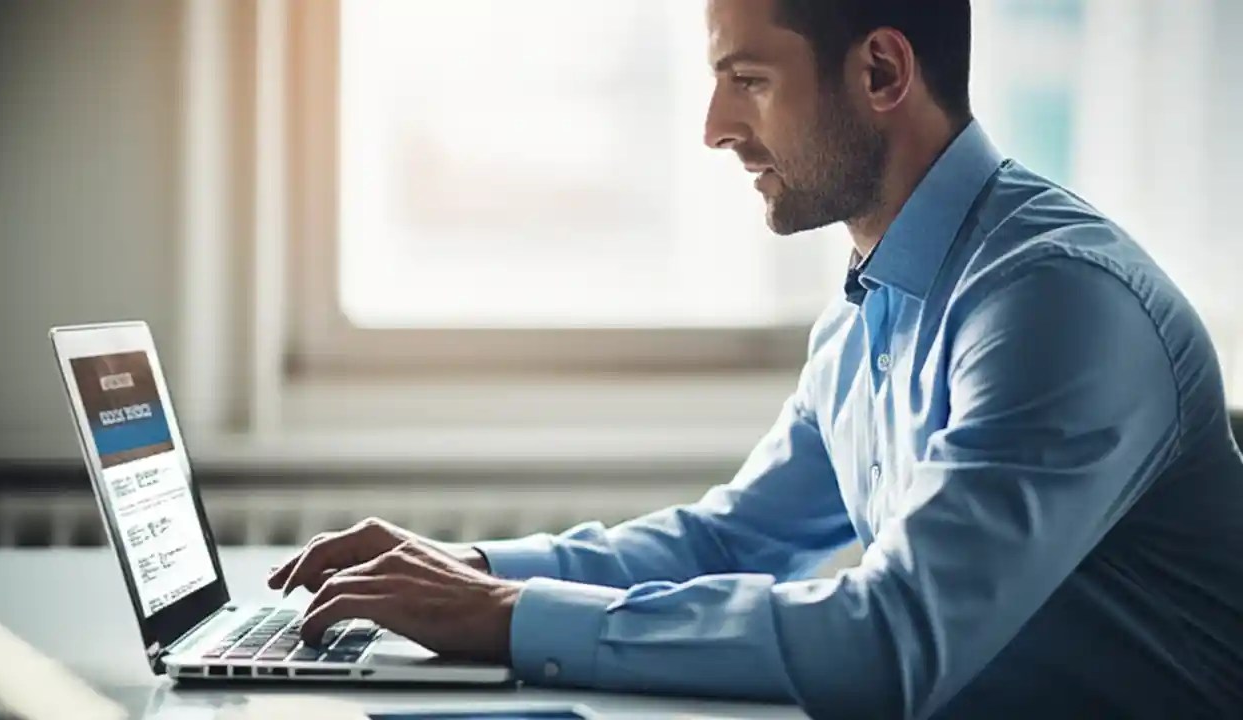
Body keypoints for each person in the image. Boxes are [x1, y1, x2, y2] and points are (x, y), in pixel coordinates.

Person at [268, 0, 1243, 716]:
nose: (713, 129)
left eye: (749, 80)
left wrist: (511, 613)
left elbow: (893, 640)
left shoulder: (1053, 302)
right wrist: (458, 572)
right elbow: (732, 540)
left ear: (879, 74)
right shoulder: (885, 287)